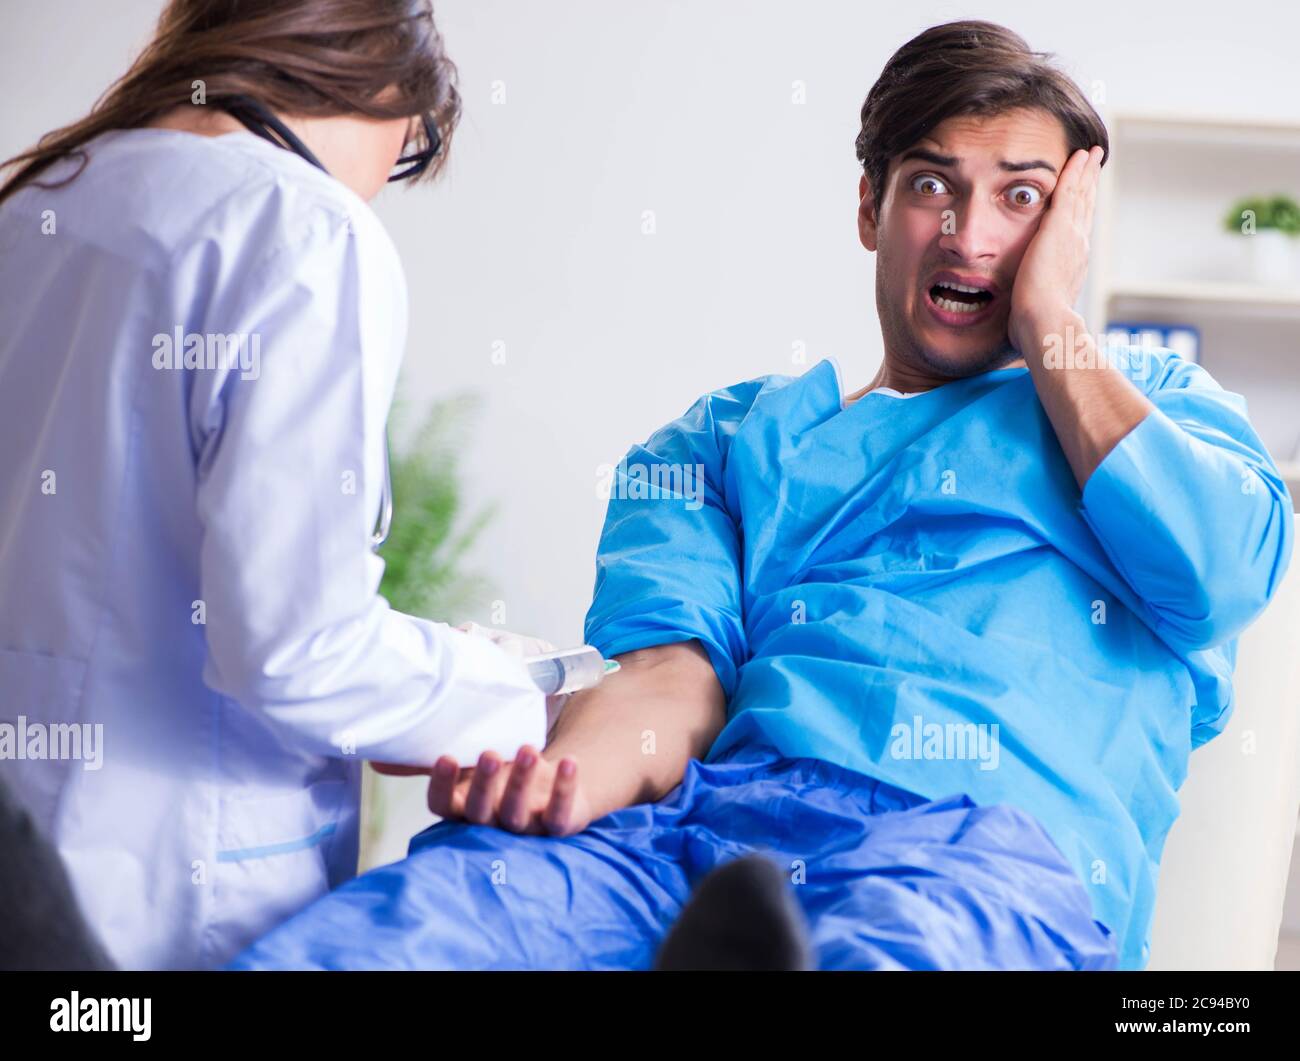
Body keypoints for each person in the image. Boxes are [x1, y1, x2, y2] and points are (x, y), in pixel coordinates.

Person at [229, 20, 1292, 972]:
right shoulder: (721, 439)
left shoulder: (1152, 408)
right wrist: (563, 782)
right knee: (446, 909)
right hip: (705, 827)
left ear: (1067, 227)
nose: (970, 237)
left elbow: (1216, 579)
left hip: (979, 853)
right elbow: (666, 677)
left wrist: (1051, 319)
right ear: (871, 205)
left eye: (1020, 198)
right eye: (932, 184)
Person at [0, 0, 557, 971]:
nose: (383, 188)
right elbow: (297, 649)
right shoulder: (302, 228)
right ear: (386, 93)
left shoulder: (40, 199)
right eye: (409, 158)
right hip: (163, 905)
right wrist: (509, 692)